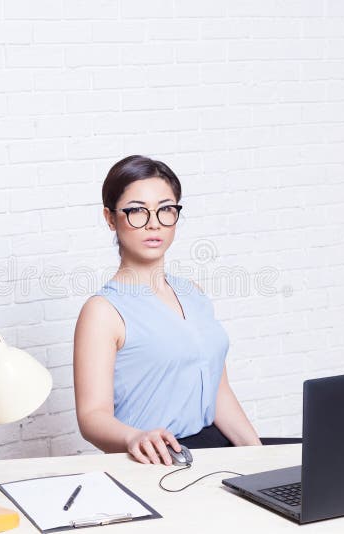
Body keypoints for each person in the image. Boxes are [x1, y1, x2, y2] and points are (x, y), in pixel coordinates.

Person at [73, 155, 266, 466]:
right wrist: (133, 438)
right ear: (110, 218)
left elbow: (218, 394)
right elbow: (92, 417)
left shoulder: (194, 294)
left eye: (165, 210)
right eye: (137, 210)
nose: (153, 223)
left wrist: (261, 459)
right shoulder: (103, 312)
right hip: (155, 460)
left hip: (215, 447)